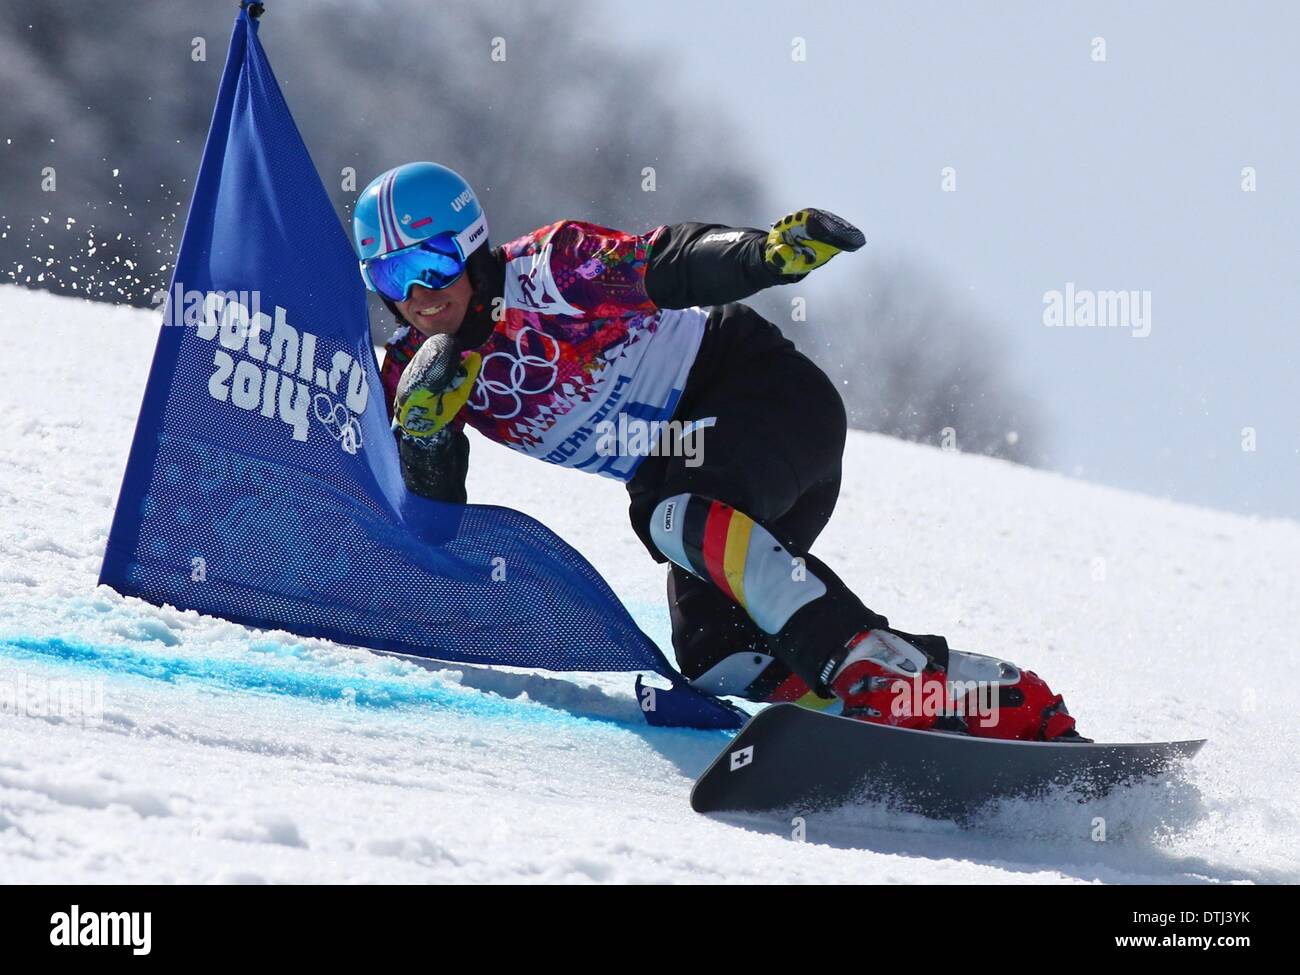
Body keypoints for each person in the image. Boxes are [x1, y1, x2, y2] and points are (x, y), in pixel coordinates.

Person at [353, 161, 1084, 742]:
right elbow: (434, 528)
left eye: (434, 262)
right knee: (716, 653)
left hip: (758, 397)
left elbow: (667, 263)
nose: (419, 295)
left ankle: (868, 668)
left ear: (473, 246)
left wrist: (765, 256)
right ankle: (992, 700)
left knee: (675, 514)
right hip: (686, 482)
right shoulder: (412, 375)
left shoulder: (548, 272)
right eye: (393, 277)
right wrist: (427, 441)